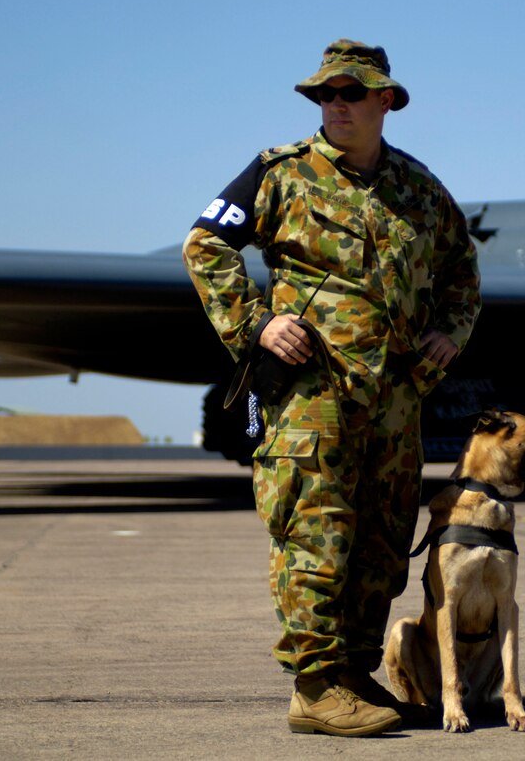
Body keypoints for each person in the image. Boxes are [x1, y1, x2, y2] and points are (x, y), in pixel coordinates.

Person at [182, 39, 481, 736]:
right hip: (312, 396)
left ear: (385, 100)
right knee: (315, 537)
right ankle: (313, 688)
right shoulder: (280, 173)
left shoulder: (418, 188)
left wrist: (450, 334)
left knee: (381, 542)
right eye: (324, 95)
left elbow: (462, 272)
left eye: (349, 93)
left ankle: (352, 674)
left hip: (396, 399)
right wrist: (256, 323)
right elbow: (205, 245)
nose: (335, 105)